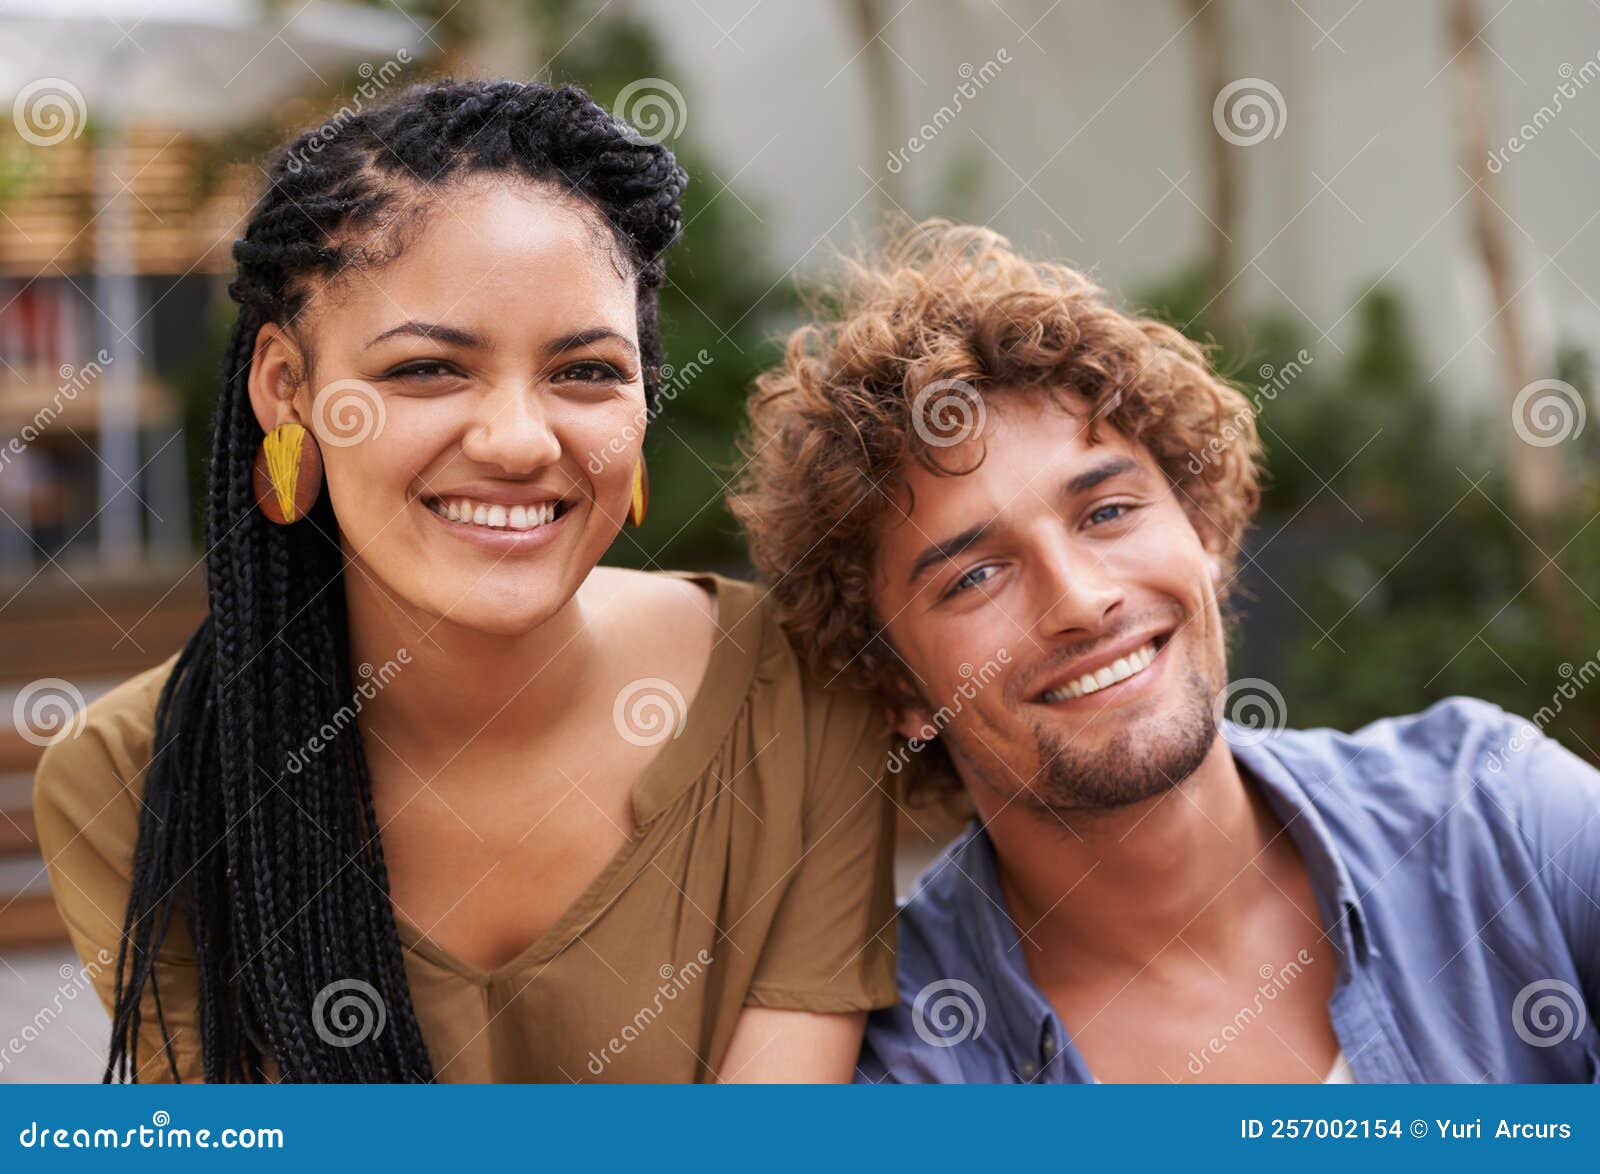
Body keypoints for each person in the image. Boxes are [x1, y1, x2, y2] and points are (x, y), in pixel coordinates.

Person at [33, 80, 896, 1083]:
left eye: (585, 372)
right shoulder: (139, 780)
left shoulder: (797, 692)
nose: (520, 442)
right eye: (428, 370)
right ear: (287, 389)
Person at [729, 219, 1600, 1083]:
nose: (1079, 600)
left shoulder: (1495, 819)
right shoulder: (901, 1071)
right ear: (896, 689)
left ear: (1207, 531)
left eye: (1107, 512)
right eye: (975, 577)